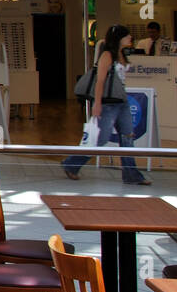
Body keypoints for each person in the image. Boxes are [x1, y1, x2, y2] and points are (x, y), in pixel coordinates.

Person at [63, 25, 151, 185]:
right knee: (100, 139)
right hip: (108, 103)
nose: (130, 38)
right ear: (119, 38)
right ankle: (71, 163)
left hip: (121, 101)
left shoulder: (121, 54)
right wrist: (97, 103)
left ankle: (131, 174)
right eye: (127, 36)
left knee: (127, 137)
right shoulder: (107, 55)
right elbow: (100, 81)